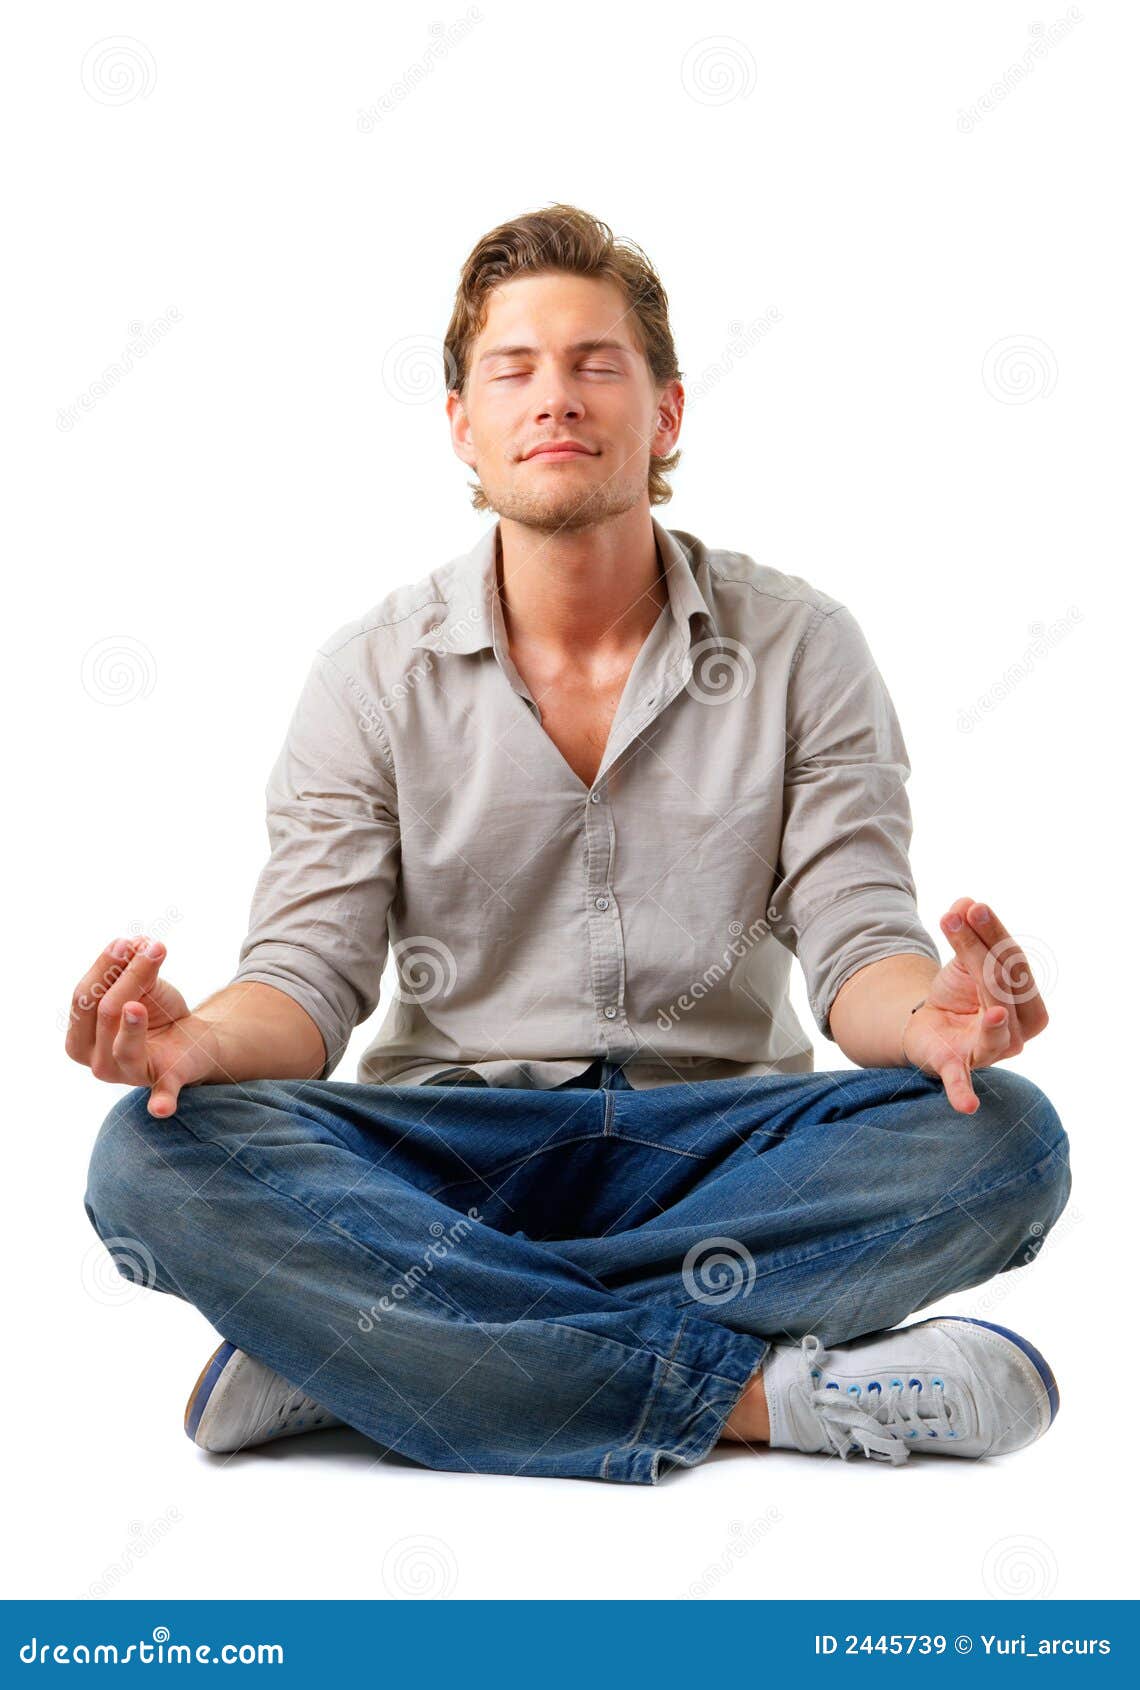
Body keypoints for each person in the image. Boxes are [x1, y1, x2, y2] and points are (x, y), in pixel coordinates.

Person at [75, 204, 1071, 1484]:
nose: (557, 396)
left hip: (723, 1151)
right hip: (448, 1155)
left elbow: (860, 943)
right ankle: (764, 1400)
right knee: (151, 1155)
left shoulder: (802, 647)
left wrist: (928, 1023)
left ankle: (376, 1348)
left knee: (1008, 1141)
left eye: (598, 363)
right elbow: (308, 980)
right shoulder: (369, 675)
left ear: (663, 414)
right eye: (515, 368)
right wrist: (201, 1040)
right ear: (463, 428)